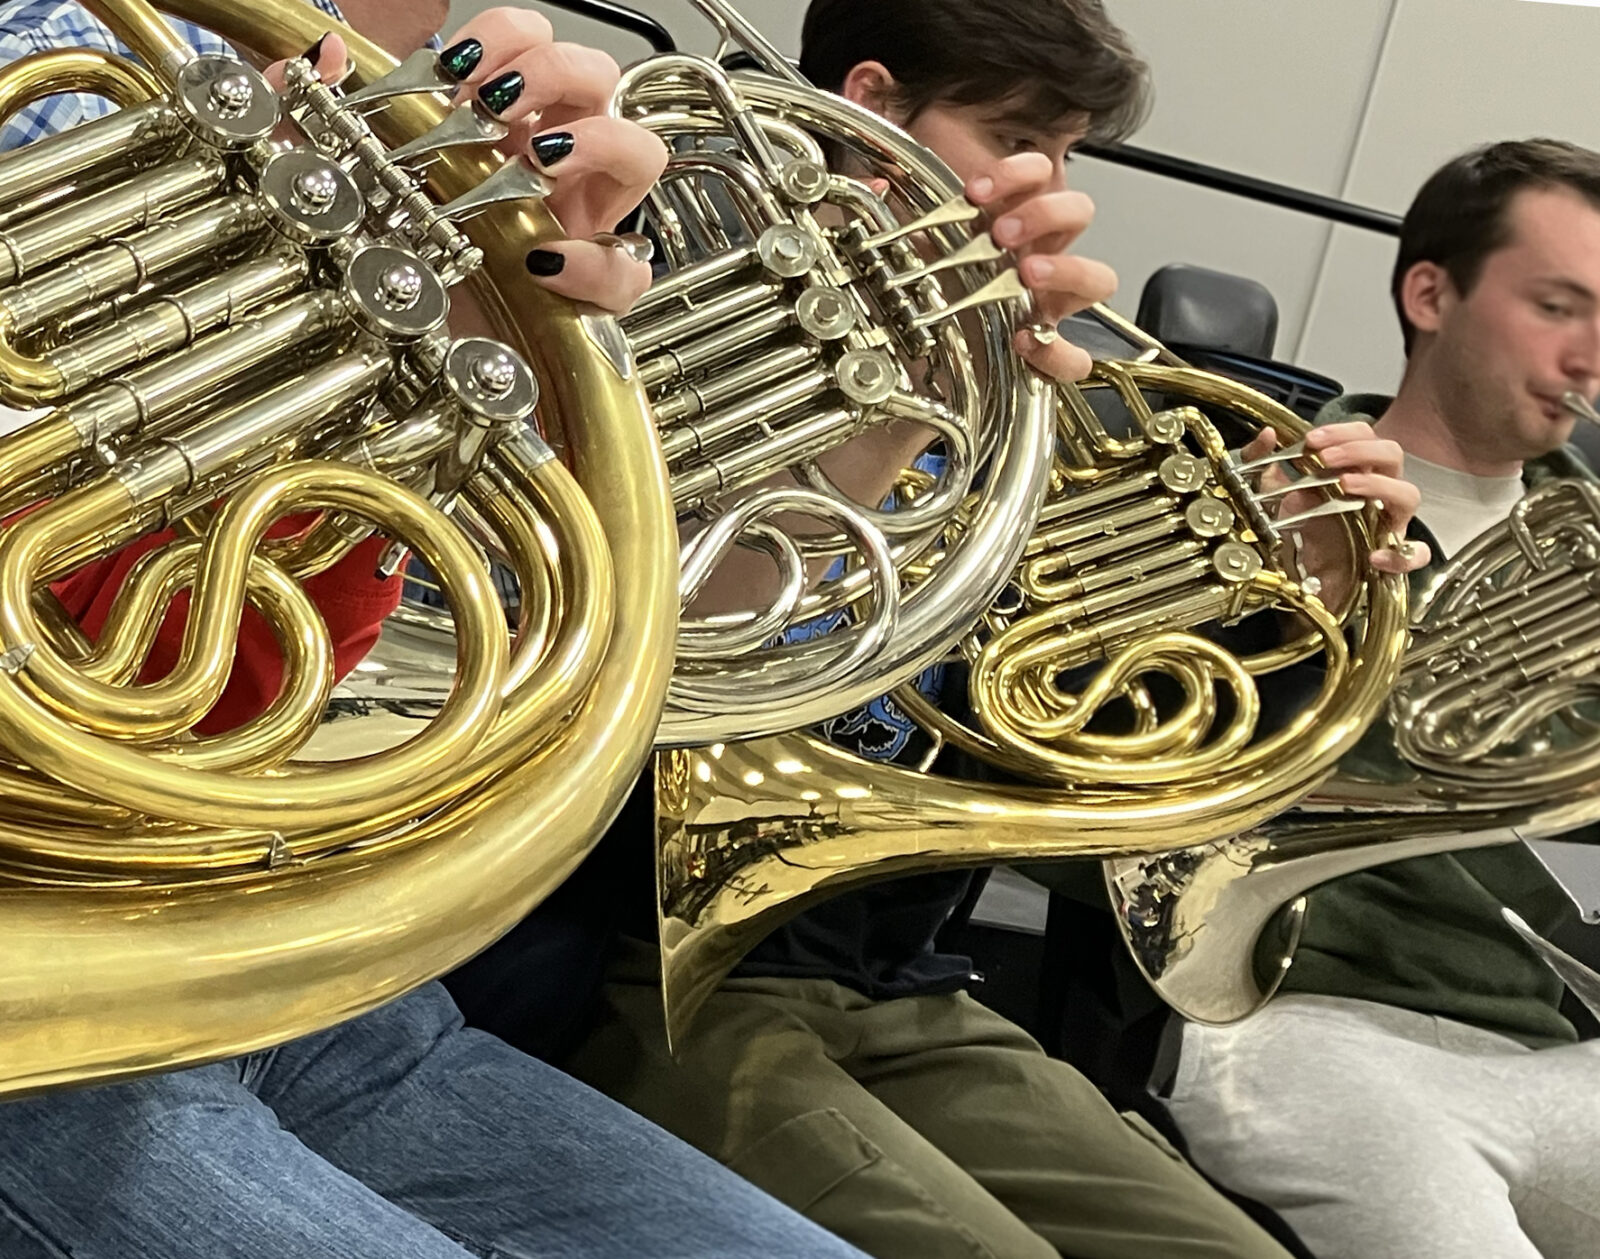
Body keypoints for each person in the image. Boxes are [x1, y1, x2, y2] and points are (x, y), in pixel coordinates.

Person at [0, 6, 866, 1259]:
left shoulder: (461, 138)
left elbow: (663, 622)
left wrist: (442, 372)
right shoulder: (83, 60)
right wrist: (278, 363)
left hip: (269, 954)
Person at [469, 4, 1422, 1258]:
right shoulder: (657, 297)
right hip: (649, 968)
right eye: (1017, 136)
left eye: (1069, 153)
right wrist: (875, 430)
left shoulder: (1028, 393)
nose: (1052, 187)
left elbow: (1053, 718)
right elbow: (632, 644)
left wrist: (1278, 601)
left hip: (894, 975)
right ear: (869, 102)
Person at [1161, 138, 1600, 1259]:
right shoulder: (1265, 492)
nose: (1590, 355)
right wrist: (1281, 610)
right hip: (1300, 1020)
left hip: (1547, 1038)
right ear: (1429, 293)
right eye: (1559, 305)